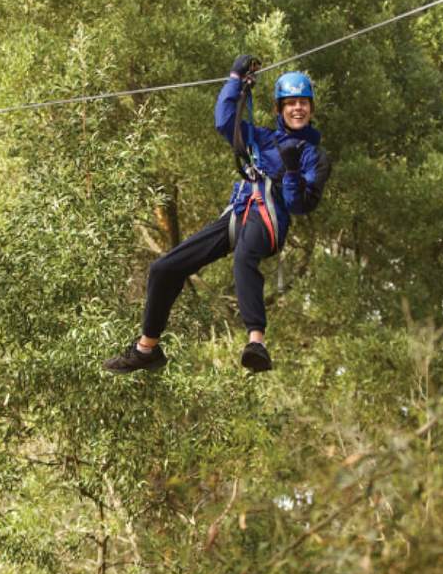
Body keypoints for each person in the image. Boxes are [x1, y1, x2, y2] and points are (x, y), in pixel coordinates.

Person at [104, 55, 330, 373]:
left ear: (311, 109)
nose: (297, 109)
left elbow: (300, 205)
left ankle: (256, 342)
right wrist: (234, 81)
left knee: (244, 258)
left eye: (303, 103)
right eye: (290, 103)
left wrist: (291, 170)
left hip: (271, 219)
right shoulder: (263, 139)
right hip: (238, 212)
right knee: (164, 268)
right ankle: (147, 349)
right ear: (280, 109)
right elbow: (225, 122)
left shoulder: (315, 155)